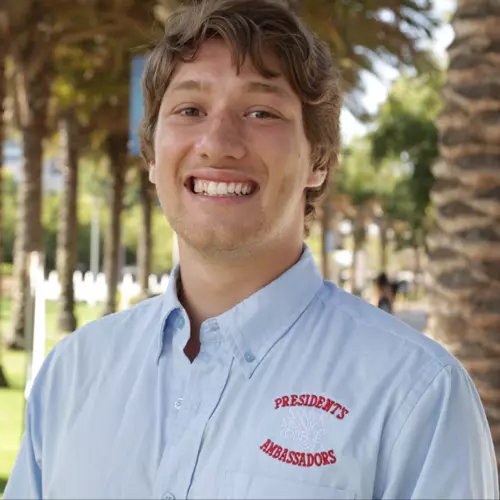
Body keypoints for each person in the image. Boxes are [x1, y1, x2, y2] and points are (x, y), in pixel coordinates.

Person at [4, 1, 498, 499]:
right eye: (190, 110)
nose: (218, 143)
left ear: (319, 160)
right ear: (152, 155)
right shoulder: (71, 375)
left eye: (261, 111)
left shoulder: (416, 394)